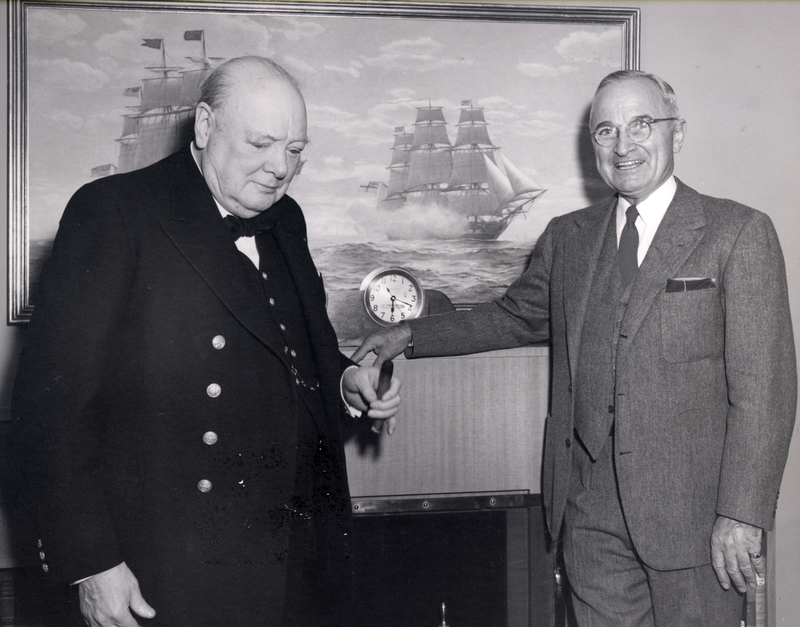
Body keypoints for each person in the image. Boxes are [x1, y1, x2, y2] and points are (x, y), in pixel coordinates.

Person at [353, 70, 796, 626]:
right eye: (605, 131)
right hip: (588, 520)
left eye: (640, 125)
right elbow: (512, 317)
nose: (623, 146)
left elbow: (767, 392)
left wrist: (742, 513)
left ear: (676, 132)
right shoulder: (568, 237)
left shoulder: (738, 232)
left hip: (698, 524)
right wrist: (409, 335)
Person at [12, 56, 401, 627]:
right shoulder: (115, 212)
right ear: (203, 125)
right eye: (262, 144)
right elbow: (52, 411)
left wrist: (346, 384)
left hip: (296, 555)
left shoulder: (286, 219)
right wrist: (91, 562)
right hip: (172, 565)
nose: (279, 168)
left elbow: (298, 354)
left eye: (294, 151)